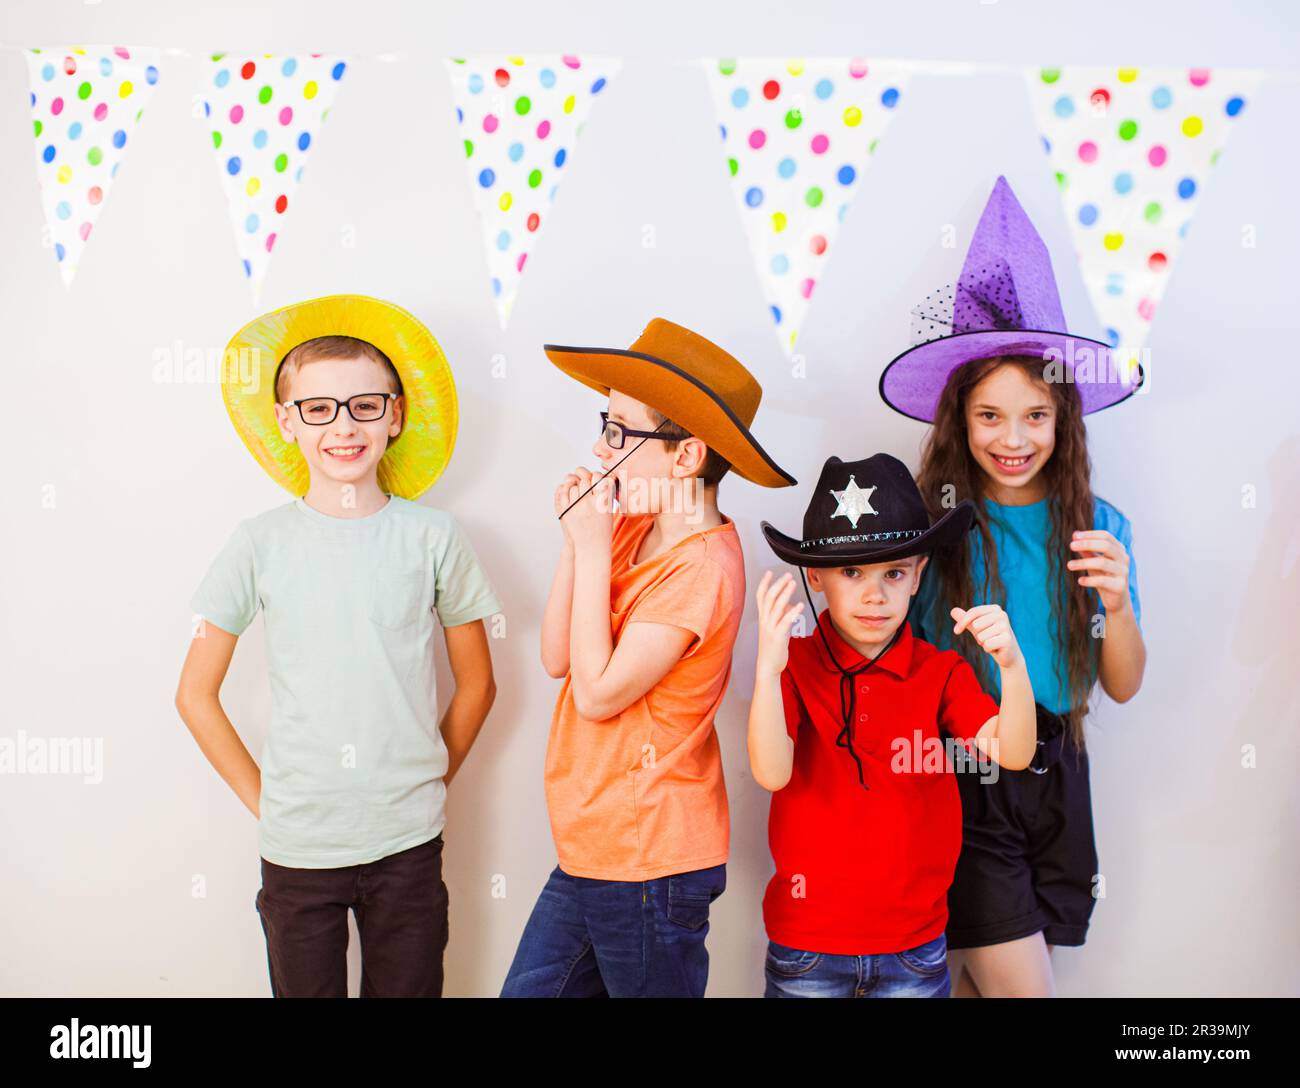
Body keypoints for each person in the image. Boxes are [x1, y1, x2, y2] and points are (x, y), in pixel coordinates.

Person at [175, 295, 500, 997]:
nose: (343, 426)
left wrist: (429, 783)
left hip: (408, 847)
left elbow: (478, 684)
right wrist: (265, 802)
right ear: (288, 423)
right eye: (318, 409)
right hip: (298, 851)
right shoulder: (257, 543)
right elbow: (194, 693)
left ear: (396, 415)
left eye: (364, 405)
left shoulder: (434, 538)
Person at [880, 176, 1147, 996]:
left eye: (1035, 414)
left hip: (1063, 776)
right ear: (959, 419)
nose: (1013, 437)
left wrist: (1116, 603)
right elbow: (899, 671)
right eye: (990, 415)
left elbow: (1124, 685)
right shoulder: (936, 527)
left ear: (1064, 419)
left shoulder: (1100, 526)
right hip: (970, 773)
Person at [500, 317, 796, 997]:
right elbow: (555, 658)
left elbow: (599, 694)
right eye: (606, 422)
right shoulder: (628, 523)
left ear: (686, 457)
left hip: (651, 859)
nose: (601, 450)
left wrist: (593, 543)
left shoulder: (704, 568)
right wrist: (581, 542)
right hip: (594, 847)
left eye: (620, 432)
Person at [749, 452, 1037, 997]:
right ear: (816, 575)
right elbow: (770, 771)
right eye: (852, 572)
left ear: (917, 576)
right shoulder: (795, 666)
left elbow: (1012, 751)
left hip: (914, 951)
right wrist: (768, 669)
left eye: (894, 572)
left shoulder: (941, 671)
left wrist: (1013, 669)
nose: (874, 594)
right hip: (808, 948)